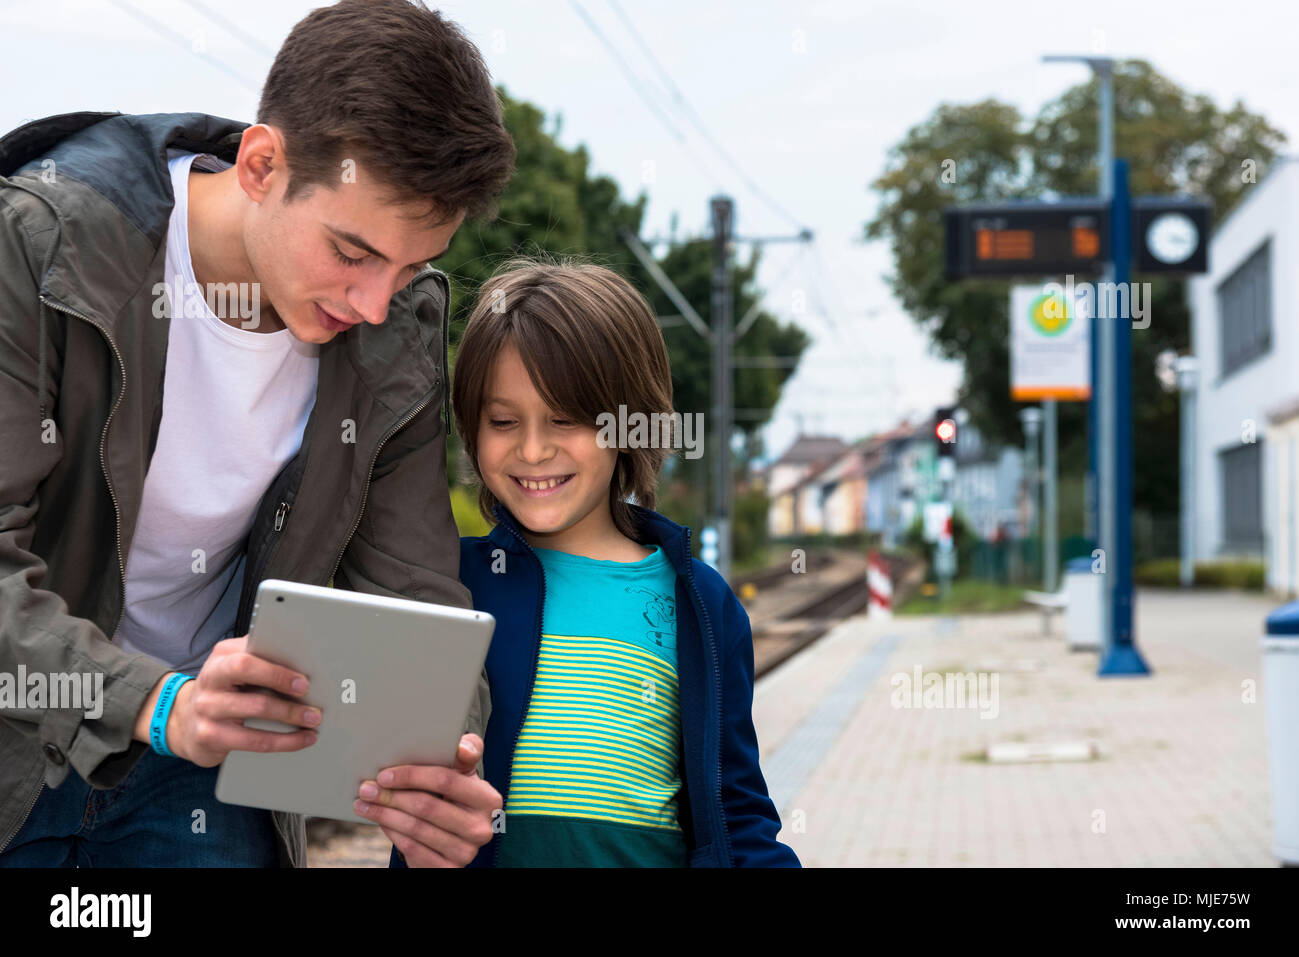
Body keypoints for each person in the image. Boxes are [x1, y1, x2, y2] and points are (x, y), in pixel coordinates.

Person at [0, 0, 514, 868]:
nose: (376, 304)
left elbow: (413, 593)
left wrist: (431, 769)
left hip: (207, 769)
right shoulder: (37, 243)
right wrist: (153, 701)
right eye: (352, 253)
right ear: (262, 164)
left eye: (412, 265)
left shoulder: (395, 334)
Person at [382, 258, 800, 867]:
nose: (532, 449)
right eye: (502, 422)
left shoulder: (701, 604)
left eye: (565, 419)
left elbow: (735, 813)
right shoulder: (446, 584)